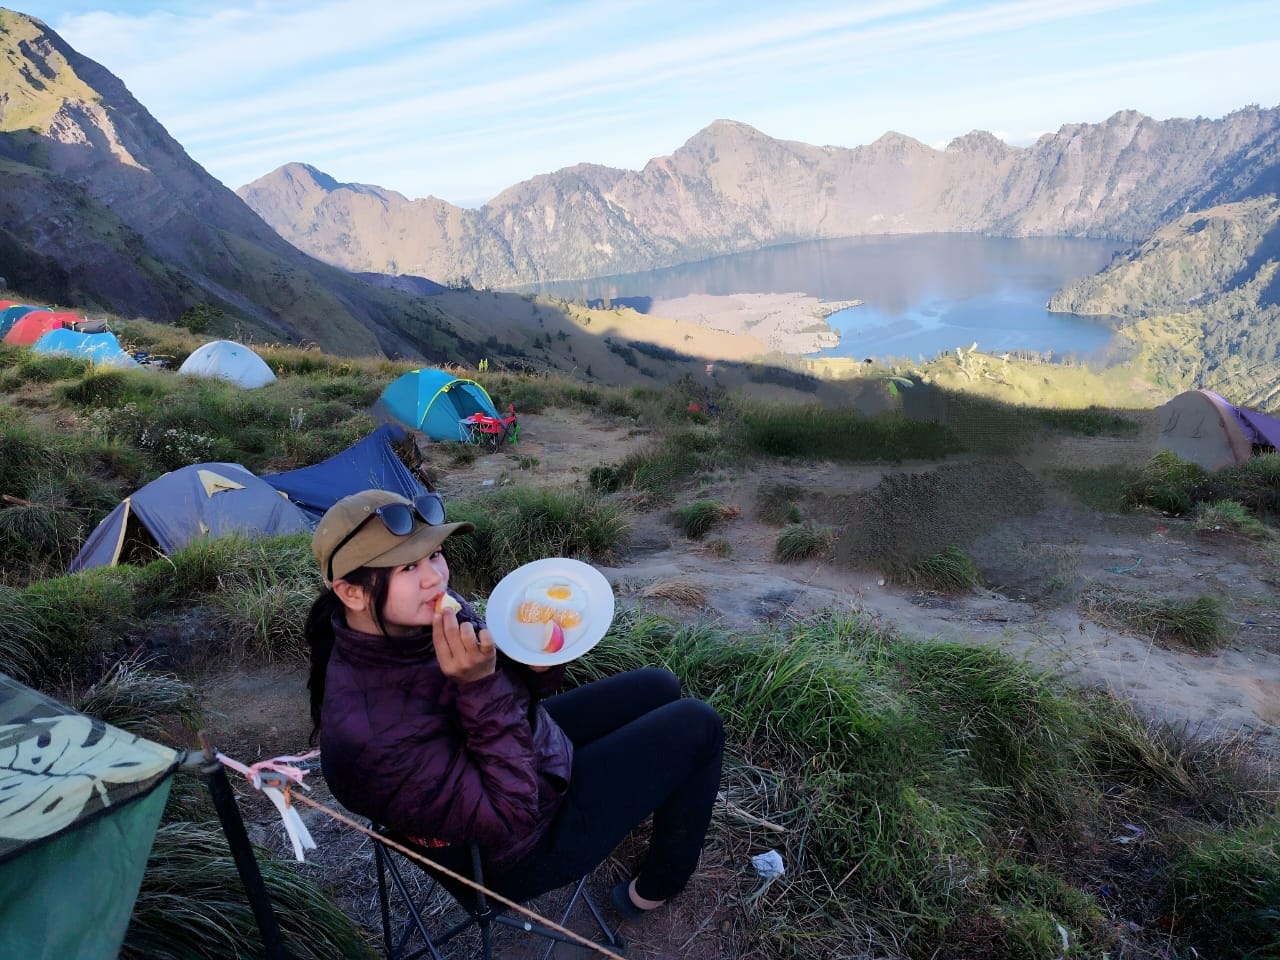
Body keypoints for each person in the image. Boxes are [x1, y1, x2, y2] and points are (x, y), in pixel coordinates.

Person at [305, 489, 724, 919]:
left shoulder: (427, 613)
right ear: (351, 593)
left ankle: (637, 797)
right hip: (517, 848)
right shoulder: (364, 734)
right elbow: (510, 817)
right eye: (409, 566)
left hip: (526, 754)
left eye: (435, 554)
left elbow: (515, 697)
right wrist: (479, 686)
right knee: (699, 725)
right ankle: (659, 884)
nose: (435, 576)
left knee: (660, 685)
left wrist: (536, 665)